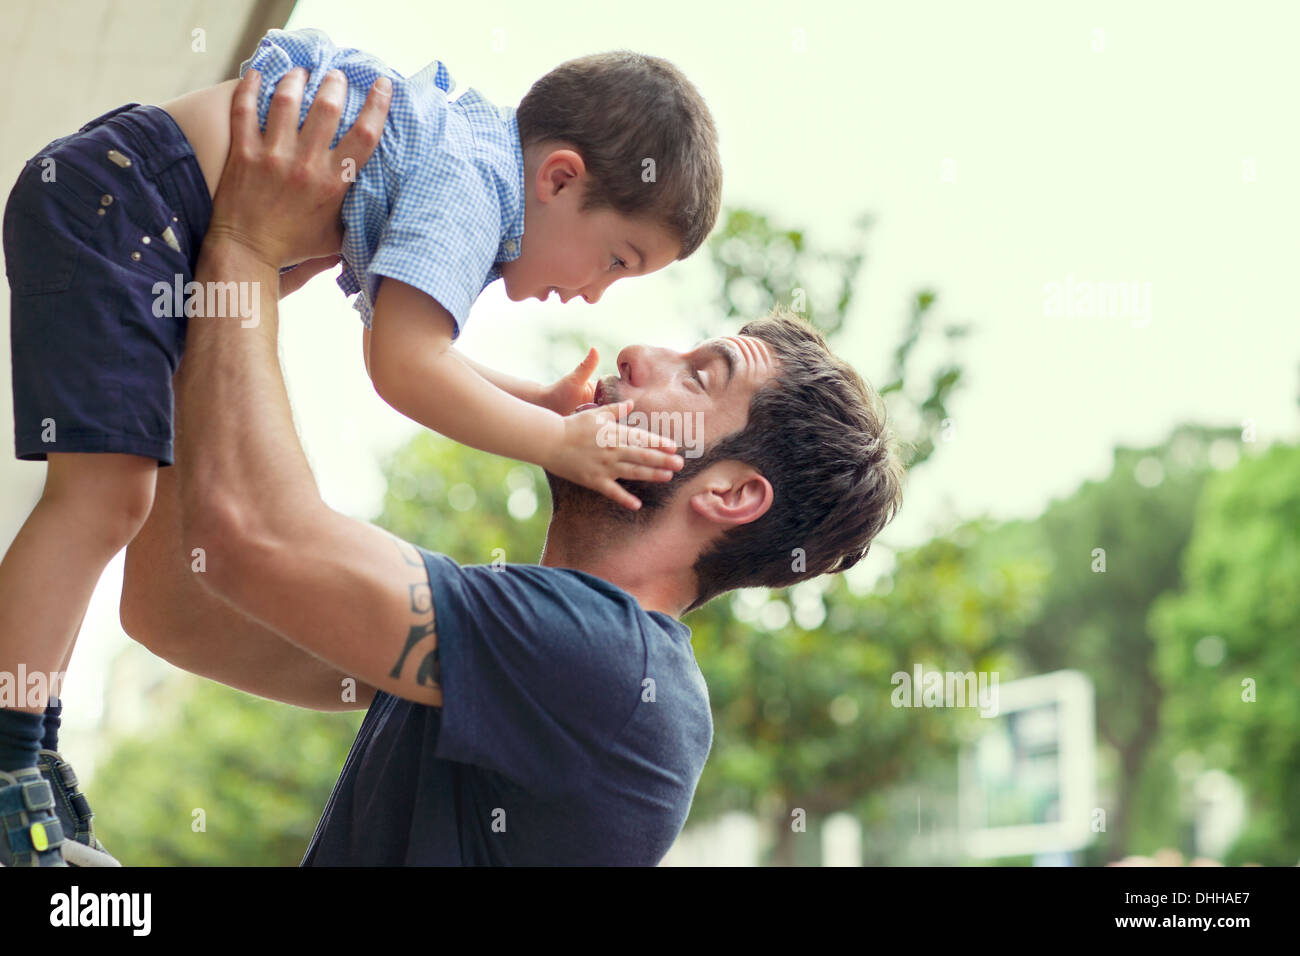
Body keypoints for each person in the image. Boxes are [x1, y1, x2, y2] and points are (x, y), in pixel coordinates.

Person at [28, 72, 901, 866]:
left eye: (703, 374)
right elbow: (180, 605)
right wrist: (195, 305)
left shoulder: (608, 667)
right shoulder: (505, 657)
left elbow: (251, 535)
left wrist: (246, 249)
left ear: (733, 494)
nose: (640, 350)